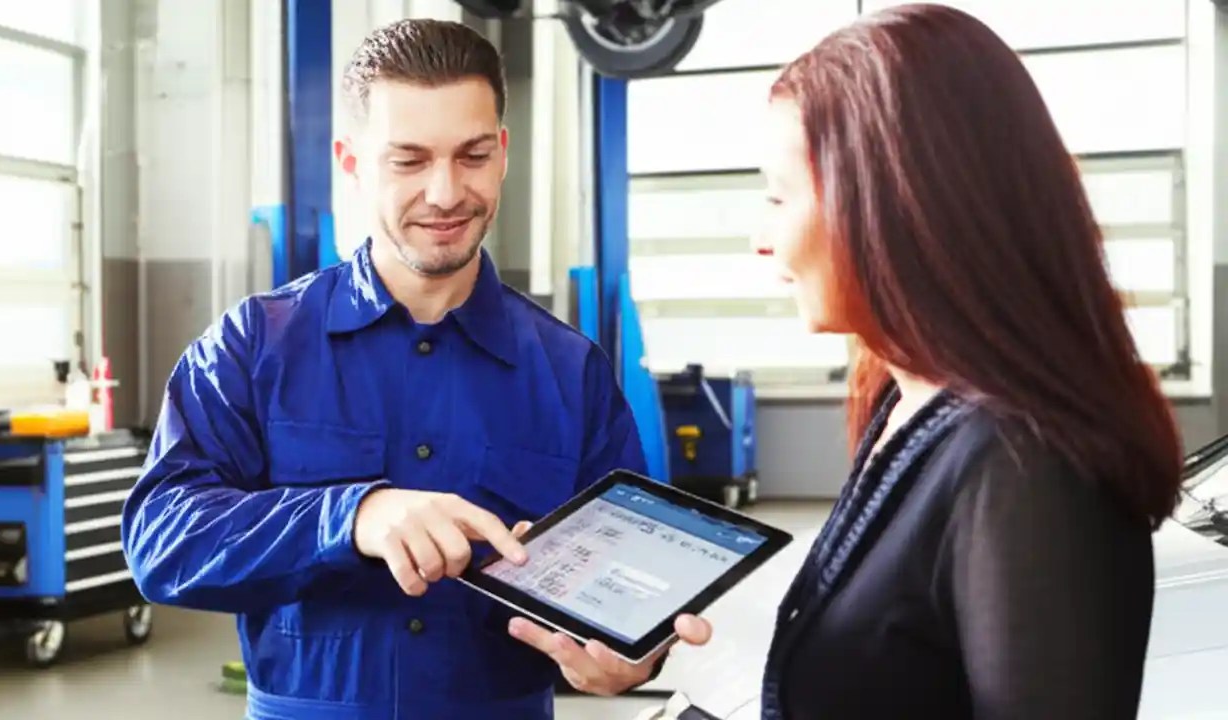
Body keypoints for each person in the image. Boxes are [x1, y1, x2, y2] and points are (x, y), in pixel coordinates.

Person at [512, 5, 1186, 718]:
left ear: (892, 204)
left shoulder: (1027, 469)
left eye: (777, 197)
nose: (760, 239)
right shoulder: (906, 406)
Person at [121, 18, 658, 720]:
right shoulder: (253, 345)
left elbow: (632, 574)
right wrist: (351, 516)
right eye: (408, 160)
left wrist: (632, 651)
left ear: (502, 154)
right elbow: (162, 540)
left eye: (471, 156)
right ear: (351, 163)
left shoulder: (570, 371)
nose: (444, 193)